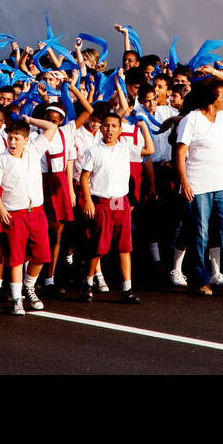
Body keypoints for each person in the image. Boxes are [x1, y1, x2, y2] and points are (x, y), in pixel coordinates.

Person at [175, 68, 223, 297]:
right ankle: (201, 280)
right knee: (201, 231)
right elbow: (180, 153)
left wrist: (215, 72)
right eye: (221, 95)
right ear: (211, 98)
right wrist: (184, 182)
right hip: (198, 184)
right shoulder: (191, 120)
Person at [79, 113, 147, 303]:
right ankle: (88, 283)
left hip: (121, 203)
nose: (110, 130)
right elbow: (84, 177)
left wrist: (143, 127)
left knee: (125, 247)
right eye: (106, 125)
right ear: (101, 128)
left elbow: (149, 149)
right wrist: (89, 201)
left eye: (114, 126)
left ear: (119, 129)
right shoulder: (93, 151)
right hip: (101, 202)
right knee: (99, 247)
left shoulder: (125, 148)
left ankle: (127, 289)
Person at [0, 119, 51, 315]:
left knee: (40, 256)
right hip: (14, 214)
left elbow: (52, 128)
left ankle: (29, 287)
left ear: (26, 139)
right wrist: (0, 209)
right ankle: (17, 300)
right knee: (15, 259)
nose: (12, 142)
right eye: (10, 138)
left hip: (37, 213)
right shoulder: (0, 160)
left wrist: (30, 120)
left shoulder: (33, 151)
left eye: (17, 138)